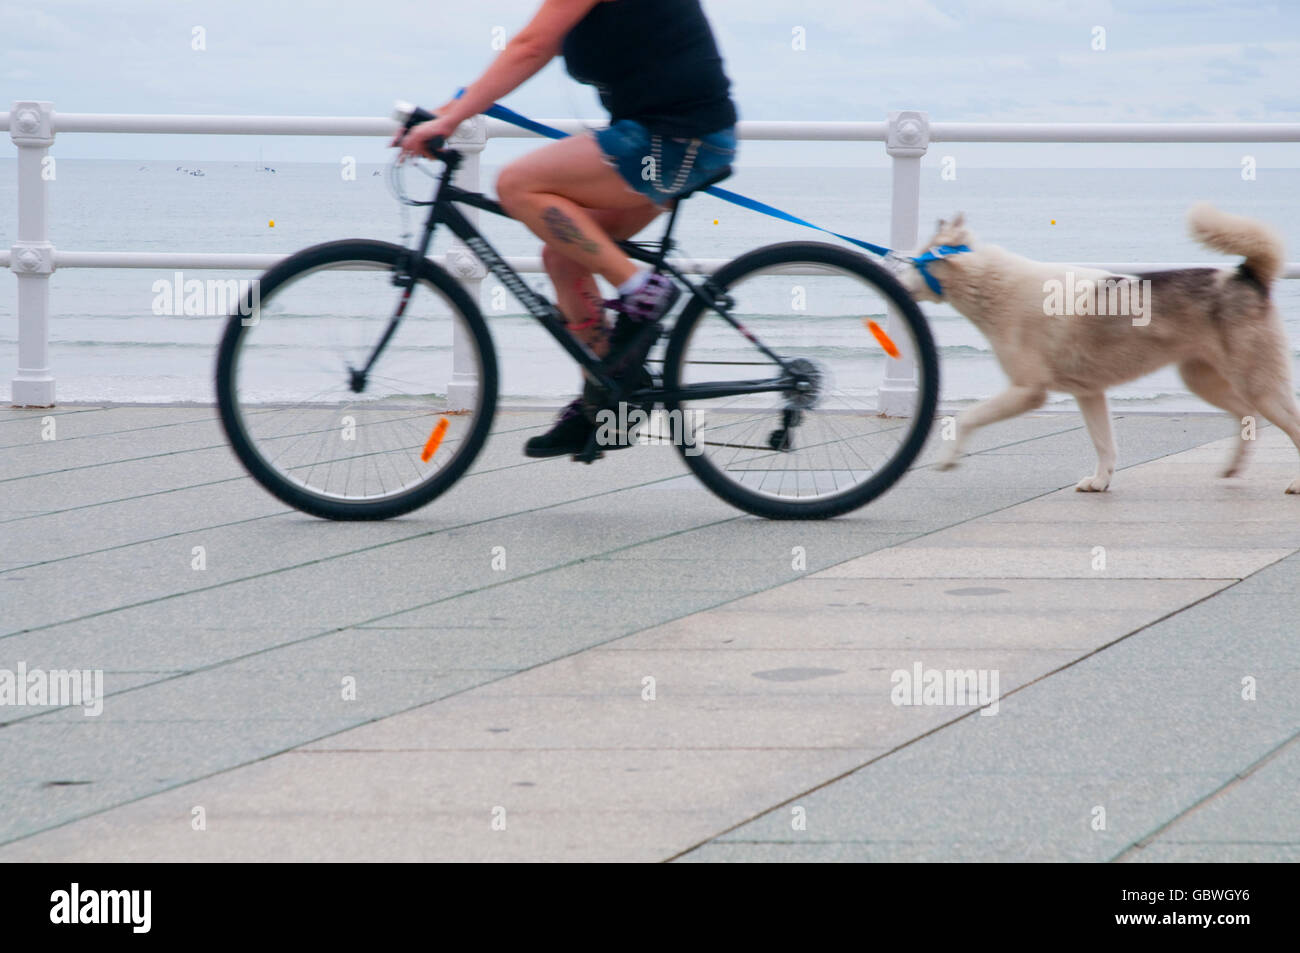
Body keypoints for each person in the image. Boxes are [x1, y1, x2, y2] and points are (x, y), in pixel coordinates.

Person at [395, 0, 737, 456]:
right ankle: (606, 403)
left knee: (516, 185)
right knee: (564, 254)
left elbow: (530, 47)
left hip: (675, 139)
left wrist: (451, 120)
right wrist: (443, 114)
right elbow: (531, 50)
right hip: (669, 139)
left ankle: (643, 290)